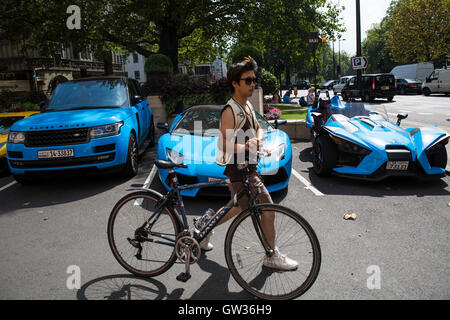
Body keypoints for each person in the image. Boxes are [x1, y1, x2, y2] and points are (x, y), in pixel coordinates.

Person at [200, 56, 298, 271]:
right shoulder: (230, 110)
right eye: (248, 80)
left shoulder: (247, 107)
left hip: (248, 168)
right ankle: (271, 255)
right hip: (239, 169)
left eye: (254, 79)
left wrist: (258, 140)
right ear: (235, 83)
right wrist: (246, 147)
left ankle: (203, 230)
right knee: (268, 209)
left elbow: (259, 126)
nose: (253, 84)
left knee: (237, 207)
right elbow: (223, 144)